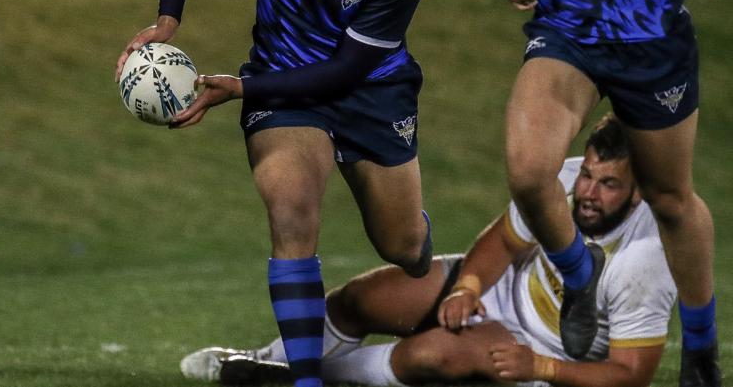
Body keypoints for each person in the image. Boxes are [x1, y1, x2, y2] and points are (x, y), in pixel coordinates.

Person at [115, 0, 432, 387]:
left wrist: (238, 90)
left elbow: (345, 72)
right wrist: (168, 18)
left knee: (403, 247)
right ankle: (306, 379)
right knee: (290, 205)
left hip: (371, 90)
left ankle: (434, 255)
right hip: (283, 88)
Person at [499, 0, 729, 386]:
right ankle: (580, 274)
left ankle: (701, 347)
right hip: (567, 32)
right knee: (528, 171)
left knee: (671, 199)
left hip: (649, 40)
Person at [180, 114, 675, 387]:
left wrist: (542, 368)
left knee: (430, 354)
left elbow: (632, 376)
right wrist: (468, 287)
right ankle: (267, 358)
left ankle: (291, 379)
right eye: (588, 175)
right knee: (365, 298)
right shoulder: (564, 179)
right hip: (502, 294)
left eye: (608, 184)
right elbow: (505, 239)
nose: (587, 192)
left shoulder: (646, 257)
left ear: (640, 191)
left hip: (546, 352)